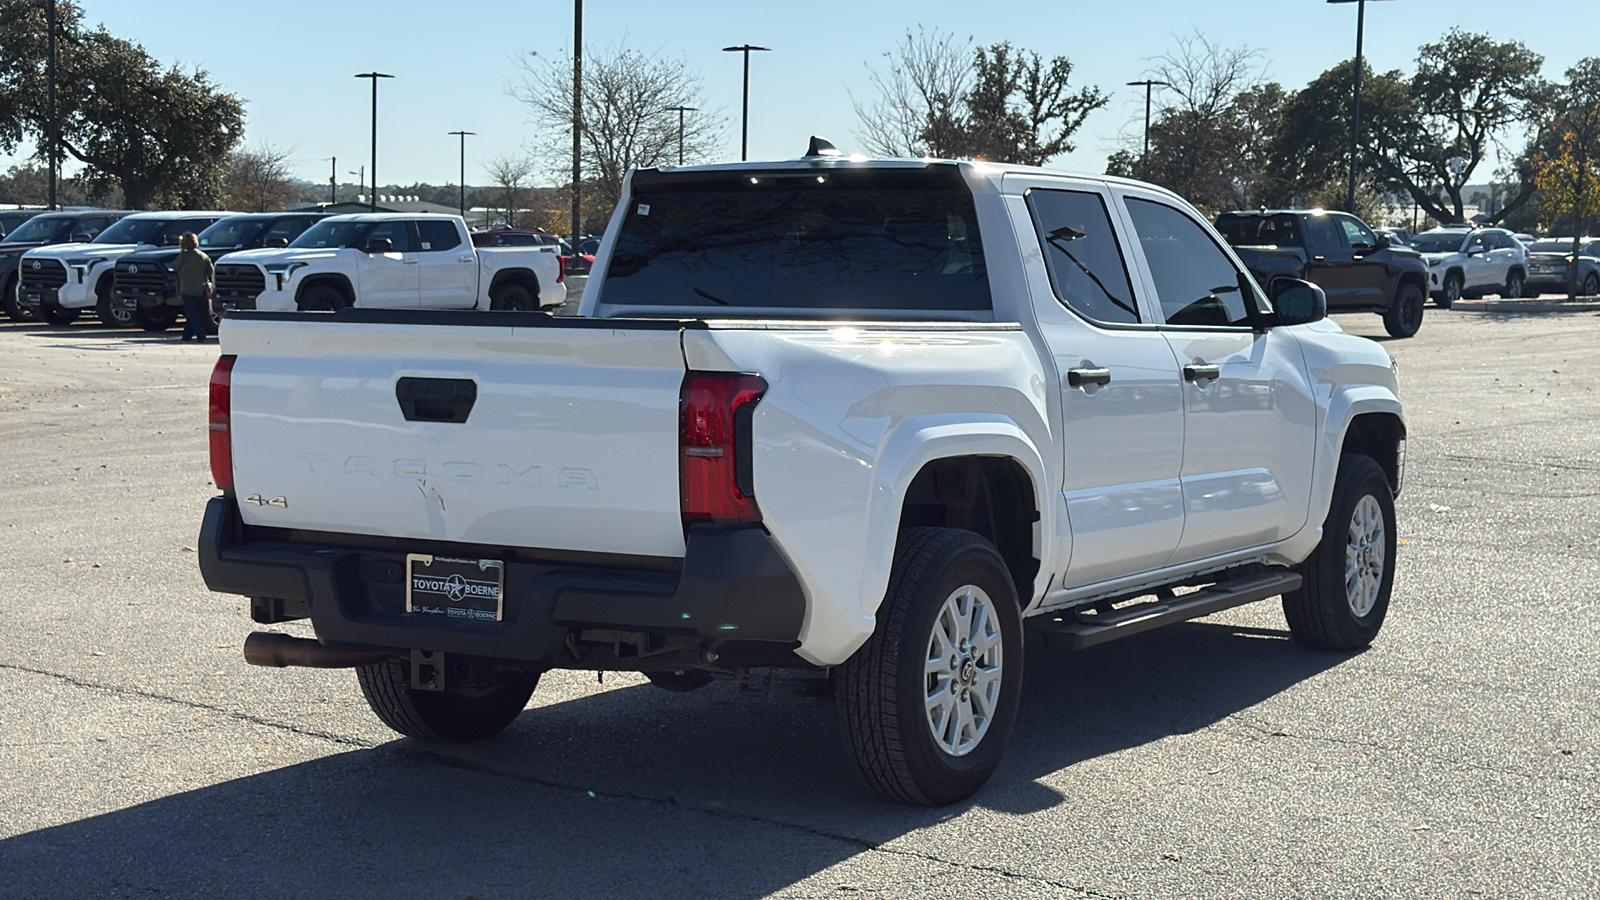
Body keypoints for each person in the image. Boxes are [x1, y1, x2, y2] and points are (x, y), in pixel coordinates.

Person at [172, 232, 214, 342]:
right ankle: (187, 335)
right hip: (201, 288)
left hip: (187, 288)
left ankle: (201, 334)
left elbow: (175, 267)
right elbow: (210, 271)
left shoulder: (183, 256)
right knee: (196, 313)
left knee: (192, 313)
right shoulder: (203, 256)